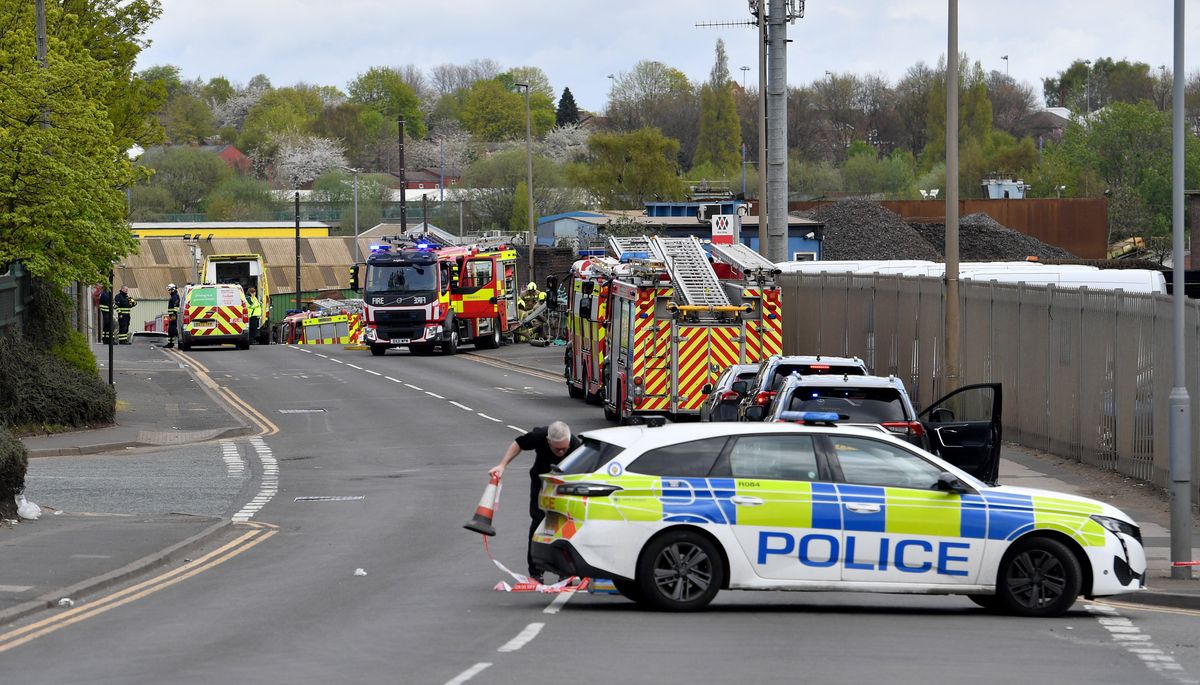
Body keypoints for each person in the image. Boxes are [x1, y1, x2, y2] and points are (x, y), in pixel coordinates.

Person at [488, 421, 580, 583]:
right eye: (556, 448)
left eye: (563, 449)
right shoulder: (539, 436)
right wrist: (502, 465)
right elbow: (519, 443)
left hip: (565, 484)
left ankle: (565, 571)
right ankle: (536, 571)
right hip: (541, 482)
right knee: (539, 522)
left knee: (563, 524)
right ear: (548, 440)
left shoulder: (576, 446)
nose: (560, 452)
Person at [162, 283, 179, 348]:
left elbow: (176, 307)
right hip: (172, 316)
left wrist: (174, 315)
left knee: (172, 330)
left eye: (170, 290)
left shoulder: (175, 297)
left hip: (174, 316)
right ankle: (171, 343)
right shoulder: (173, 296)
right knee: (171, 330)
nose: (169, 291)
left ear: (173, 289)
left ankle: (171, 343)